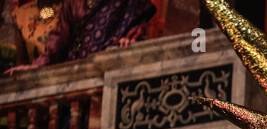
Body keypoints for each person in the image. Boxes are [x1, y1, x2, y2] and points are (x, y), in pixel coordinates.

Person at [4, 0, 154, 73]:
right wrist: (36, 66)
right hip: (74, 74)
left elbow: (136, 25)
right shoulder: (73, 2)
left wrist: (129, 39)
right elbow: (59, 39)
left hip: (106, 72)